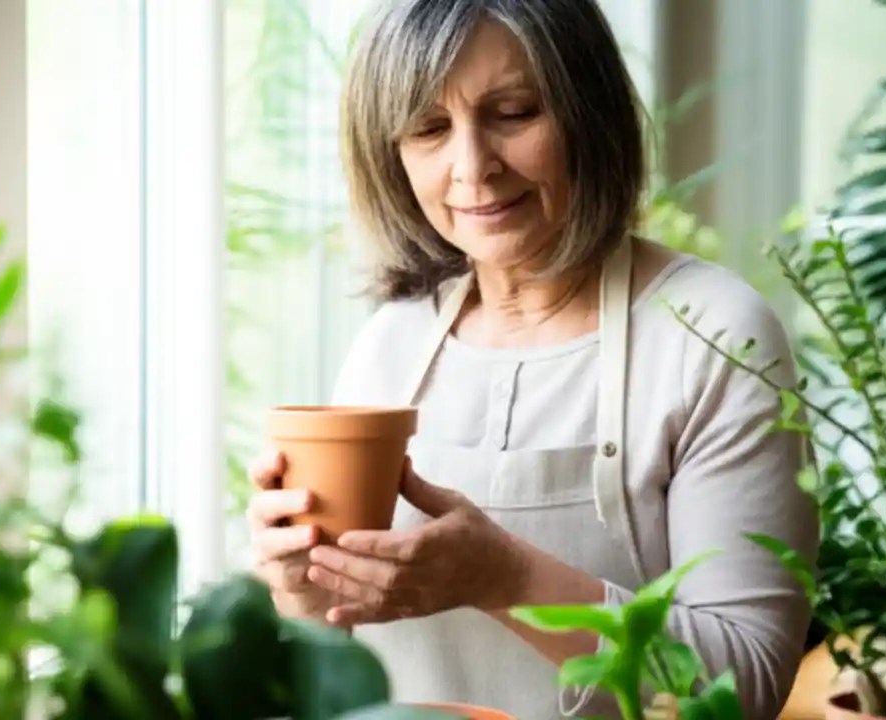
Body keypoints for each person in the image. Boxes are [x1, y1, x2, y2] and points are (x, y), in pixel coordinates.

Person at [246, 1, 818, 718]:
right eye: (428, 129)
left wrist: (507, 578)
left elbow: (744, 687)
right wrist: (302, 589)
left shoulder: (711, 337)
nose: (472, 168)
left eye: (514, 112)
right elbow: (325, 673)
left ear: (589, 114)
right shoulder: (391, 344)